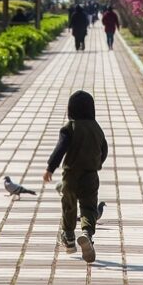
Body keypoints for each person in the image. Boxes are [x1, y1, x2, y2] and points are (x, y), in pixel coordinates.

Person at [43, 90, 108, 263]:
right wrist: (97, 164)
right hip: (90, 175)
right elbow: (104, 149)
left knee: (69, 206)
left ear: (70, 110)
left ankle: (69, 238)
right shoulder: (96, 128)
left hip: (71, 174)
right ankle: (87, 233)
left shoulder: (69, 127)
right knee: (88, 207)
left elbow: (61, 148)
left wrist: (50, 167)